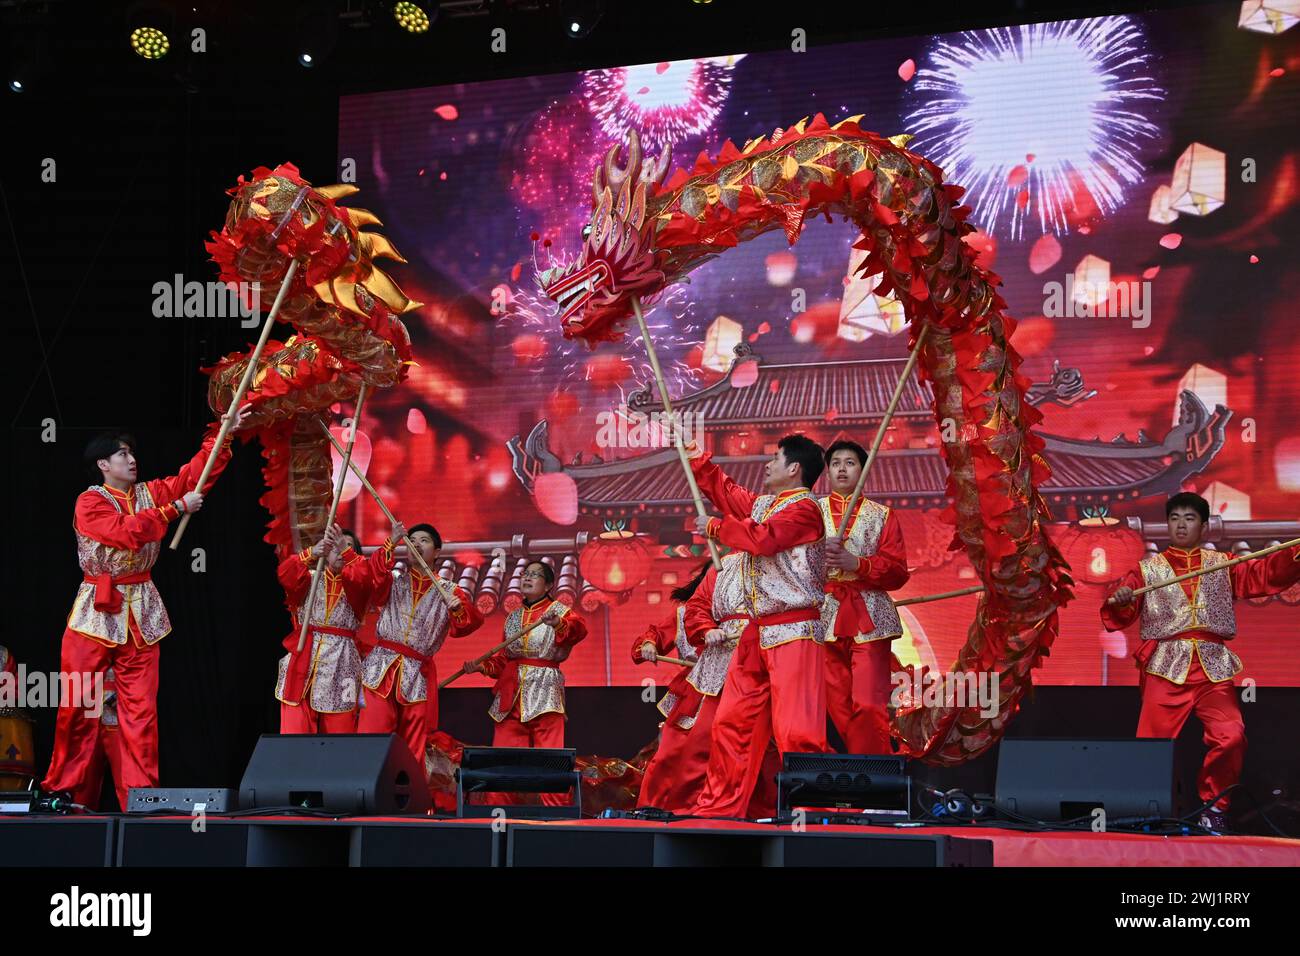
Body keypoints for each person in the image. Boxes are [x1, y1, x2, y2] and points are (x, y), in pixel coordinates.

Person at [42, 407, 251, 809]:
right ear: (103, 464)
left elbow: (193, 477)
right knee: (77, 708)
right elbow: (123, 534)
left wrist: (222, 435)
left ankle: (141, 797)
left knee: (140, 714)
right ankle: (63, 790)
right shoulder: (90, 502)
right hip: (95, 613)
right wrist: (176, 510)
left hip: (142, 612)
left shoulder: (148, 494)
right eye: (122, 454)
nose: (131, 459)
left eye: (132, 453)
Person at [1102, 491, 1300, 833]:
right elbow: (1120, 611)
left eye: (1189, 518)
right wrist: (1120, 599)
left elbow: (1266, 574)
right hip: (1166, 665)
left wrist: (1296, 554)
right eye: (1175, 518)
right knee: (1152, 746)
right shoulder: (1147, 570)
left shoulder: (1224, 564)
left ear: (1204, 527)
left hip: (1212, 668)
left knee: (1231, 735)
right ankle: (1146, 810)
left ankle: (1215, 808)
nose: (1181, 524)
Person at [685, 434, 828, 818]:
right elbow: (728, 493)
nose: (767, 465)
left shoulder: (805, 510)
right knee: (732, 724)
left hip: (795, 630)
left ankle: (808, 813)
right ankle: (719, 808)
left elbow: (764, 540)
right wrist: (696, 457)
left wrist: (716, 529)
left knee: (796, 731)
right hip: (755, 632)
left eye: (775, 459)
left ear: (794, 468)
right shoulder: (766, 504)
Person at [464, 560, 587, 806]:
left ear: (549, 584)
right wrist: (481, 666)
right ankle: (498, 813)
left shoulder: (560, 611)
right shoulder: (512, 618)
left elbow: (578, 630)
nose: (527, 578)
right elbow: (502, 661)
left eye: (535, 575)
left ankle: (558, 819)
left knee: (550, 759)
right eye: (525, 574)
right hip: (511, 695)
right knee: (504, 760)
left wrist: (558, 624)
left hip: (545, 691)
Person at [358, 522, 483, 762]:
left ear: (437, 552)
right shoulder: (393, 580)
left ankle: (410, 798)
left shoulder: (450, 591)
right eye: (412, 540)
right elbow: (372, 577)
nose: (416, 544)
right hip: (380, 670)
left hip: (417, 673)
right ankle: (365, 792)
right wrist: (391, 542)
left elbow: (469, 623)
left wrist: (457, 609)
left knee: (411, 748)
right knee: (371, 736)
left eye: (423, 540)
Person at [818, 440, 910, 754]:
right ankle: (866, 770)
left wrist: (857, 564)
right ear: (827, 471)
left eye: (851, 462)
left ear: (863, 470)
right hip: (823, 617)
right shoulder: (810, 512)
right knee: (838, 704)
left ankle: (875, 775)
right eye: (836, 463)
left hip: (869, 617)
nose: (842, 468)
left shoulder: (882, 515)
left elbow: (898, 571)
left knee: (868, 702)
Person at [275, 519, 400, 733]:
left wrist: (346, 550)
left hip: (342, 663)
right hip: (304, 659)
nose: (340, 552)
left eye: (347, 547)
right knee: (294, 733)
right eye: (335, 547)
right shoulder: (311, 578)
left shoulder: (360, 585)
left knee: (339, 735)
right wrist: (312, 552)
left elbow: (365, 577)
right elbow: (285, 574)